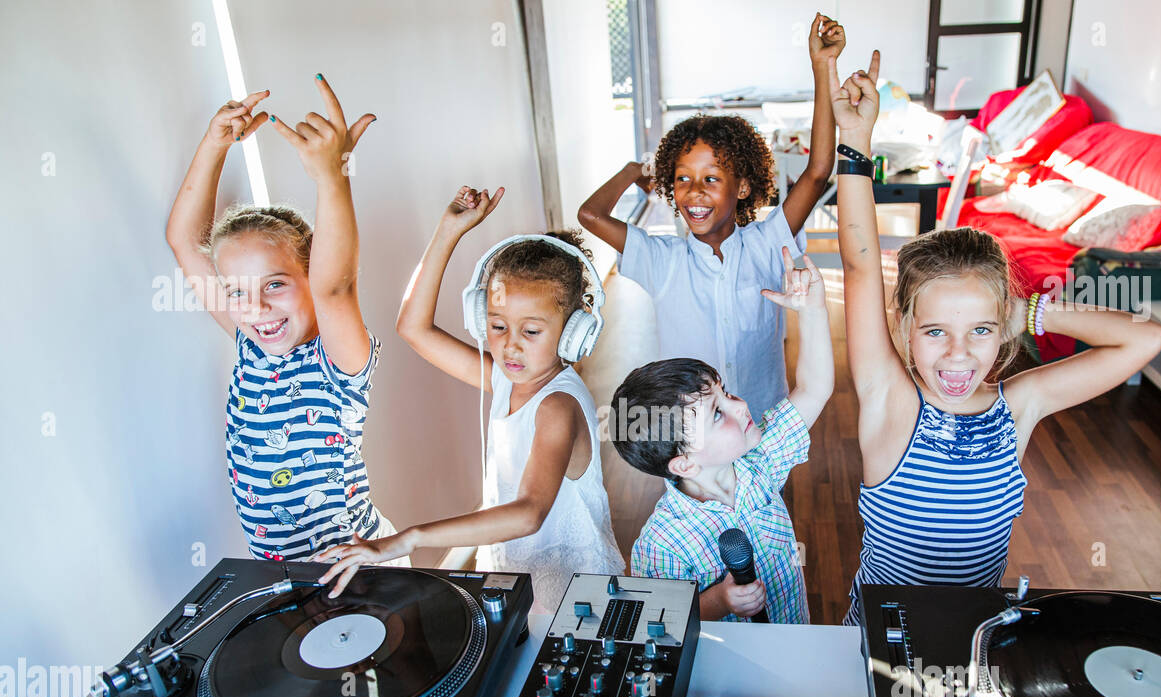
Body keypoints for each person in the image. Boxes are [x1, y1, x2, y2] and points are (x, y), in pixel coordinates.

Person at [830, 53, 1161, 621]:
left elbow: (1144, 340)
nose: (959, 353)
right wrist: (856, 144)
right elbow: (862, 264)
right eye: (935, 331)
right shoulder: (892, 400)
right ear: (904, 327)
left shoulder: (1021, 406)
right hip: (879, 645)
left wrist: (1031, 313)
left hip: (973, 643)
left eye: (980, 330)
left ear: (1002, 326)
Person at [315, 187, 624, 612]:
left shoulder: (557, 406)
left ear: (574, 331)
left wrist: (409, 538)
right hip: (521, 577)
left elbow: (529, 512)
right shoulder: (505, 380)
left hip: (576, 595)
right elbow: (413, 328)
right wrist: (448, 231)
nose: (510, 346)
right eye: (497, 326)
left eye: (531, 331)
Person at [165, 77, 405, 563]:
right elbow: (185, 243)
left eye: (275, 284)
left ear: (311, 271)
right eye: (236, 291)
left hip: (359, 567)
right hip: (286, 574)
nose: (255, 308)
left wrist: (332, 179)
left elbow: (335, 287)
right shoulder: (250, 345)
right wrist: (216, 143)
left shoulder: (338, 361)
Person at [578, 13, 845, 418]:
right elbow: (590, 215)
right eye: (682, 178)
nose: (694, 191)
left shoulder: (769, 244)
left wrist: (823, 67)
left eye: (712, 178)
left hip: (763, 424)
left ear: (742, 187)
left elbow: (818, 170)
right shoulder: (661, 260)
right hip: (694, 436)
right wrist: (634, 170)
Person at [610, 248, 834, 623]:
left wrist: (812, 312)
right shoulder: (664, 542)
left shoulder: (760, 465)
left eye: (725, 393)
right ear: (683, 462)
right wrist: (719, 601)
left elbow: (814, 389)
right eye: (717, 413)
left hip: (796, 634)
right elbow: (661, 620)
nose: (740, 405)